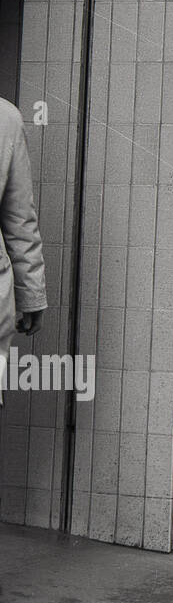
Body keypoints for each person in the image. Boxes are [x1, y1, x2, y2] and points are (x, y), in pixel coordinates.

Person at [0, 97, 47, 394]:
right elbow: (19, 218)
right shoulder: (6, 117)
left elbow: (19, 218)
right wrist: (31, 294)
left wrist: (31, 293)